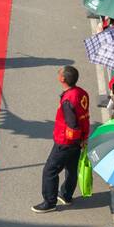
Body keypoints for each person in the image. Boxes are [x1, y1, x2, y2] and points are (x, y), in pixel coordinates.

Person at [33, 67, 90, 212]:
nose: (58, 74)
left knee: (50, 170)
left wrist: (70, 140)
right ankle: (66, 194)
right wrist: (83, 138)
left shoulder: (68, 99)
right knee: (71, 168)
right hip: (78, 140)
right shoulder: (82, 93)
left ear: (63, 79)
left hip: (65, 141)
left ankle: (49, 201)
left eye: (59, 73)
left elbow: (72, 123)